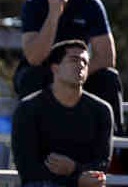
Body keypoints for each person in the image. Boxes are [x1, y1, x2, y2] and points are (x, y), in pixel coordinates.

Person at [14, 0, 124, 133]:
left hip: (79, 72)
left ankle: (114, 144)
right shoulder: (33, 5)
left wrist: (73, 74)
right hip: (44, 70)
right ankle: (27, 146)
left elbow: (107, 57)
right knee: (30, 78)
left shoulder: (91, 5)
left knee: (109, 78)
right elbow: (34, 57)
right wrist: (53, 15)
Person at [12, 39, 112, 187]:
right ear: (55, 68)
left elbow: (101, 163)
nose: (81, 65)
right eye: (74, 60)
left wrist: (74, 168)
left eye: (85, 62)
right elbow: (28, 169)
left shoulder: (101, 110)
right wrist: (76, 180)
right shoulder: (28, 108)